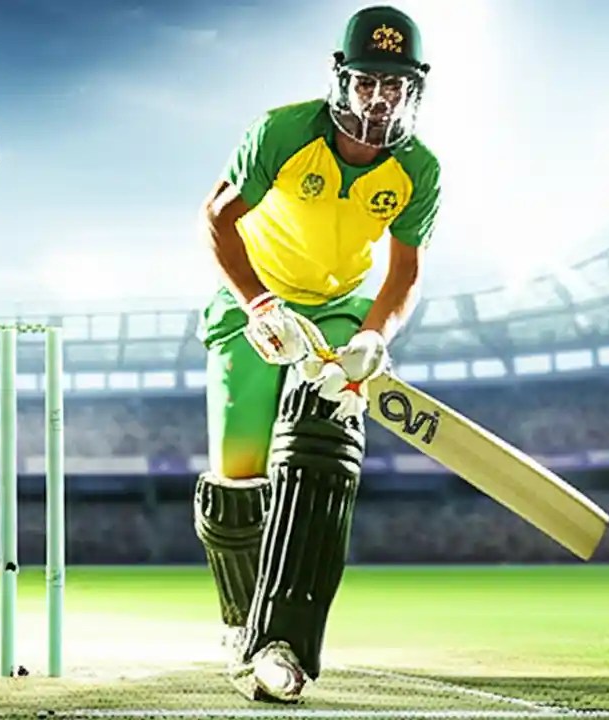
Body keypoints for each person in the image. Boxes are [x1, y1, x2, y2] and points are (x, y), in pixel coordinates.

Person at [191, 5, 440, 703]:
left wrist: (373, 336)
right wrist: (259, 304)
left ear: (413, 91)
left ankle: (283, 646)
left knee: (320, 447)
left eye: (395, 87)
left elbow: (404, 272)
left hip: (338, 310)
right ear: (342, 80)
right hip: (254, 299)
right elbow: (217, 216)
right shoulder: (282, 131)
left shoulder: (419, 170)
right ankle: (241, 625)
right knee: (238, 476)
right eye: (367, 82)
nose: (380, 99)